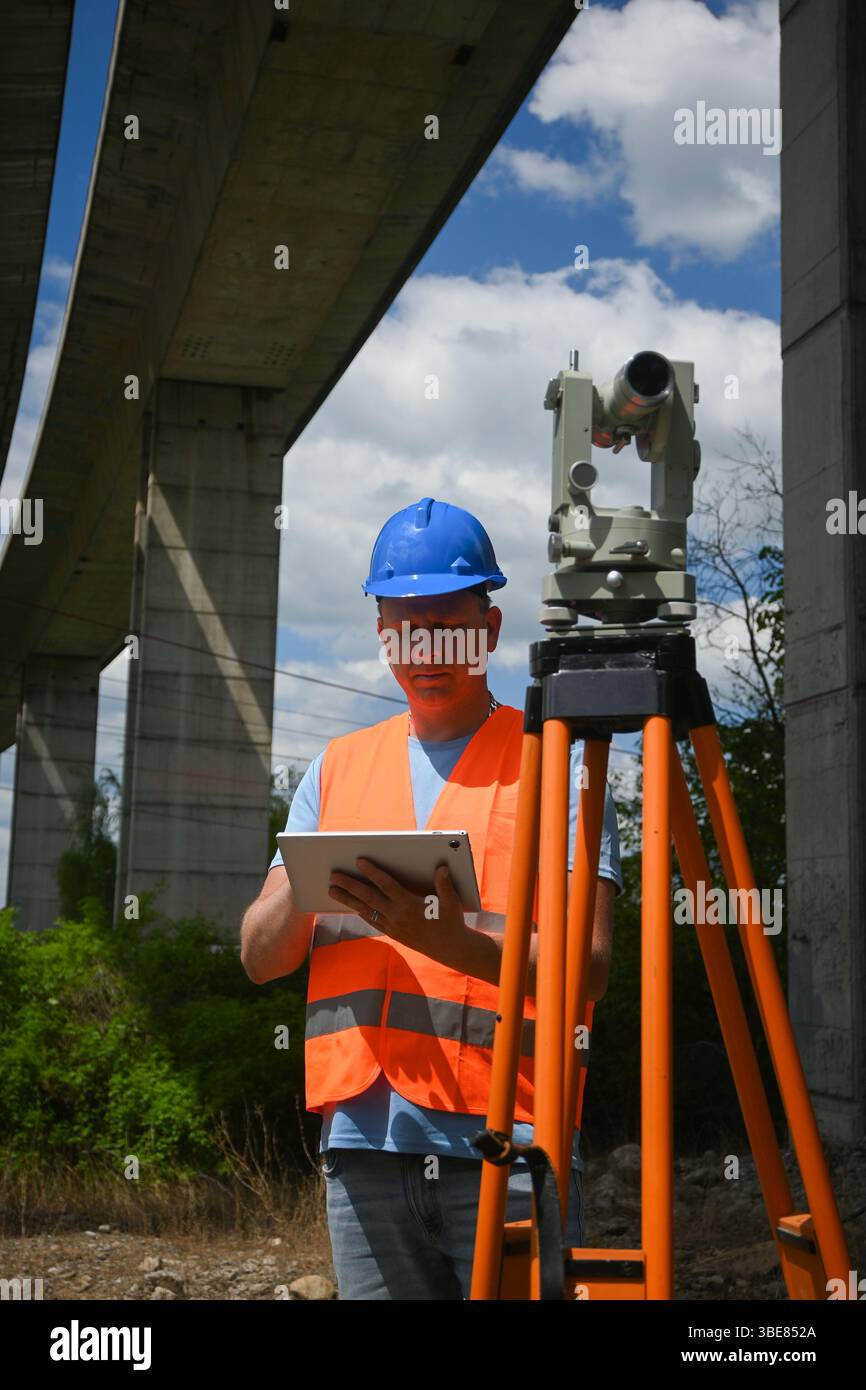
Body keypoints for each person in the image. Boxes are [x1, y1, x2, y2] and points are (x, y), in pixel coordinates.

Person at [240, 496, 622, 1300]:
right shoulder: (336, 770)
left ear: (488, 628)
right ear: (383, 633)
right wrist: (309, 890)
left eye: (444, 622)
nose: (424, 647)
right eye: (403, 625)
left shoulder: (558, 770)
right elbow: (260, 957)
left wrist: (438, 934)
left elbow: (586, 972)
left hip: (511, 1146)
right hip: (363, 1153)